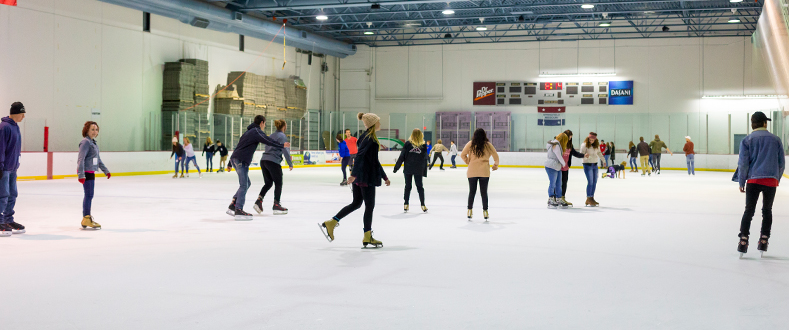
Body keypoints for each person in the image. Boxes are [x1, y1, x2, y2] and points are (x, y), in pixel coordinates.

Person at [320, 113, 390, 248]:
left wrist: (384, 176)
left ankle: (332, 222)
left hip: (360, 174)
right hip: (365, 176)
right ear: (372, 123)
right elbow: (361, 157)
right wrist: (355, 174)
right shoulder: (370, 139)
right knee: (369, 206)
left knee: (357, 203)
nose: (380, 124)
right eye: (378, 121)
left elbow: (371, 160)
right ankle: (367, 236)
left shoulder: (365, 137)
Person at [734, 111, 785, 257]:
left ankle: (743, 241)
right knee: (767, 210)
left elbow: (743, 163)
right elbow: (781, 163)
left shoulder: (747, 140)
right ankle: (764, 240)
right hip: (770, 180)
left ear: (752, 124)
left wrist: (742, 180)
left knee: (749, 210)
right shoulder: (776, 139)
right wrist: (777, 178)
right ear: (764, 123)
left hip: (753, 180)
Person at [226, 115, 289, 220]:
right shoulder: (256, 131)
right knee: (244, 185)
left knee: (247, 183)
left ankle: (233, 204)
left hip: (236, 159)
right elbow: (268, 140)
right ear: (262, 123)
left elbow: (238, 147)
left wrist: (229, 163)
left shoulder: (248, 132)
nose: (264, 126)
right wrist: (282, 146)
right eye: (265, 124)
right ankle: (238, 210)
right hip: (241, 160)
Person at [253, 119, 293, 215]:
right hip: (273, 161)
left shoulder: (272, 135)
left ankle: (259, 201)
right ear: (284, 127)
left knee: (268, 183)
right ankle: (276, 205)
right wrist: (290, 163)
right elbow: (285, 150)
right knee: (278, 182)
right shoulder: (282, 136)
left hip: (264, 160)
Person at [77, 121, 110, 230]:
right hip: (86, 173)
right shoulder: (85, 142)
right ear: (87, 130)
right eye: (92, 129)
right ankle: (86, 217)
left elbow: (98, 159)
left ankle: (86, 218)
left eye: (96, 129)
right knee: (89, 195)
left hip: (91, 172)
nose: (94, 131)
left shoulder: (93, 143)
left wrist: (105, 170)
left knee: (89, 195)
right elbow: (81, 159)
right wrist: (81, 175)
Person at [461, 128, 499, 221]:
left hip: (472, 171)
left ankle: (469, 210)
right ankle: (485, 212)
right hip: (484, 171)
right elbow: (496, 156)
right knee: (484, 193)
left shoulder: (470, 144)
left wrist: (469, 162)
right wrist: (495, 165)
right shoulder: (488, 145)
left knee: (472, 192)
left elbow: (462, 154)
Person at [0, 102, 25, 237]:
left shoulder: (16, 127)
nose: (23, 117)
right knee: (3, 196)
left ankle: (8, 220)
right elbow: (1, 148)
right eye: (22, 114)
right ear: (17, 113)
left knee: (12, 195)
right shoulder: (4, 127)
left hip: (12, 168)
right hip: (4, 169)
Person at [394, 128, 429, 213]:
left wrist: (396, 167)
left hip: (408, 168)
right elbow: (425, 159)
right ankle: (423, 205)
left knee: (408, 187)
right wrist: (424, 171)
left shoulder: (407, 144)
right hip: (418, 169)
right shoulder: (423, 145)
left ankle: (406, 204)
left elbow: (402, 156)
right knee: (420, 187)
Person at [560, 130, 584, 207]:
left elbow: (574, 153)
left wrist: (583, 155)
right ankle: (555, 198)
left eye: (571, 136)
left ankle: (562, 198)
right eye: (569, 136)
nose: (570, 137)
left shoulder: (570, 145)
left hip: (566, 167)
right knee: (557, 183)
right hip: (558, 167)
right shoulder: (559, 144)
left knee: (564, 183)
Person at [580, 132, 605, 207]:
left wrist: (604, 160)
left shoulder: (596, 145)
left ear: (595, 140)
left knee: (594, 182)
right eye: (590, 140)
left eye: (592, 140)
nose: (591, 141)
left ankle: (591, 197)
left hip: (595, 165)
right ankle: (588, 198)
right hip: (587, 165)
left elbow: (599, 153)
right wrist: (587, 156)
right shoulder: (584, 145)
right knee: (590, 181)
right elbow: (581, 154)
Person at [545, 133, 568, 208]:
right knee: (553, 183)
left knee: (559, 183)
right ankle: (551, 198)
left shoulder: (553, 144)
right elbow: (558, 156)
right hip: (552, 166)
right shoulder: (556, 145)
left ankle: (558, 198)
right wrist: (564, 164)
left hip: (556, 166)